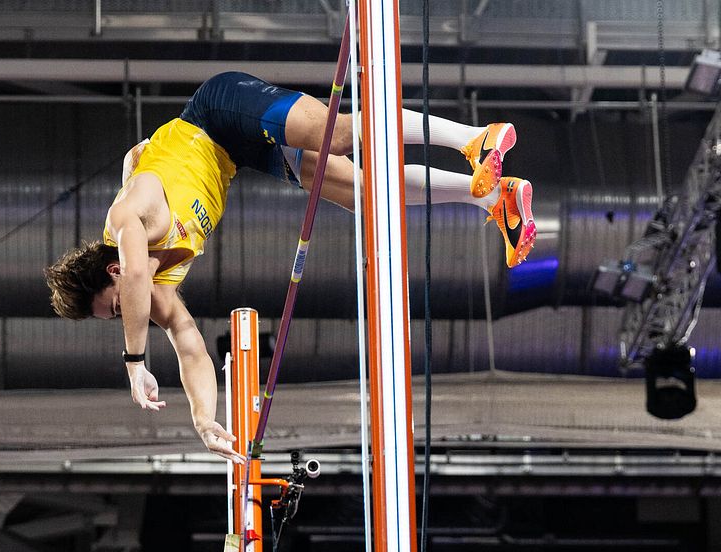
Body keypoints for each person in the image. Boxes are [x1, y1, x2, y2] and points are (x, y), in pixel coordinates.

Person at [44, 72, 536, 463]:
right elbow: (190, 345)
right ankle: (495, 197)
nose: (129, 314)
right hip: (234, 153)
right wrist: (203, 419)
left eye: (113, 311)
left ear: (110, 273)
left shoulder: (130, 215)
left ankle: (475, 139)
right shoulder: (162, 282)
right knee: (362, 194)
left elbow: (133, 277)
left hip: (217, 110)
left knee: (336, 135)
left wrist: (133, 365)